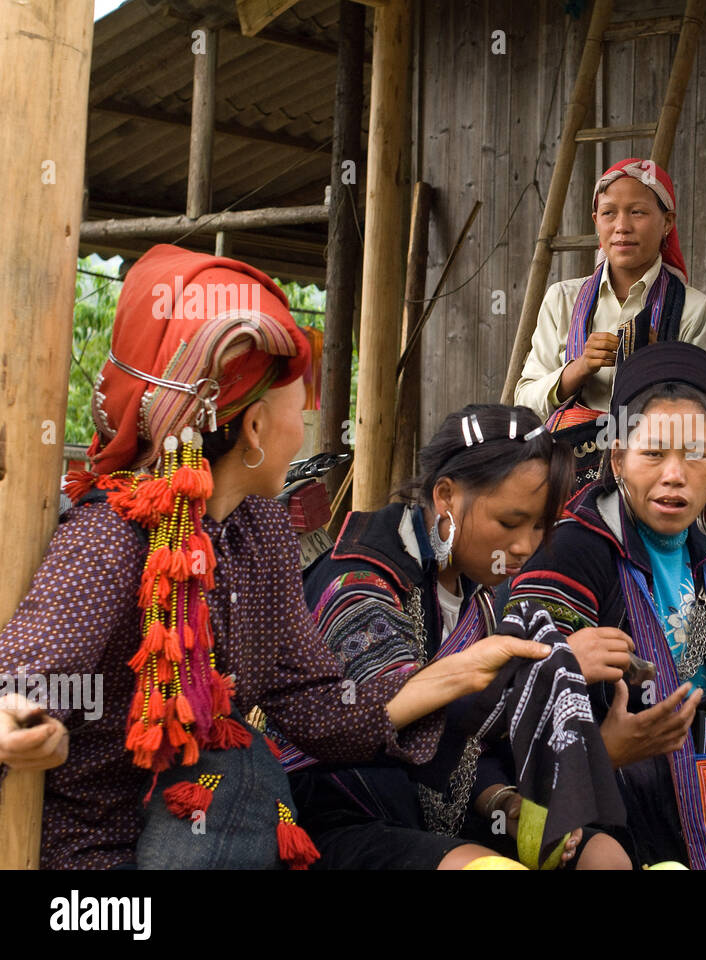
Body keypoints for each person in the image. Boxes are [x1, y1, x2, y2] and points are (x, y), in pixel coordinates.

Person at [0, 244, 548, 869]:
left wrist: (462, 670)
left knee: (243, 763)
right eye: (300, 403)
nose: (309, 420)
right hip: (99, 865)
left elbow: (316, 707)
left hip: (208, 840)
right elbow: (17, 683)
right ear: (255, 428)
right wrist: (17, 723)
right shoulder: (110, 542)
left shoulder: (258, 532)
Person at [507, 342, 706, 868]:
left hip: (689, 782)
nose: (674, 475)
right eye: (654, 453)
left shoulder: (704, 557)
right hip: (593, 797)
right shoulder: (576, 548)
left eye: (695, 454)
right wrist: (609, 742)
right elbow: (518, 684)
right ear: (617, 459)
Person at [283, 403, 630, 869]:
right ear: (445, 495)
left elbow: (467, 748)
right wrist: (552, 668)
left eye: (540, 527)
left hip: (435, 818)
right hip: (340, 820)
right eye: (510, 523)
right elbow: (394, 711)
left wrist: (506, 802)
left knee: (601, 857)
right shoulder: (359, 583)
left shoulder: (475, 594)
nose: (526, 546)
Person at [515, 158, 706, 487]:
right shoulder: (563, 299)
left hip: (653, 480)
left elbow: (704, 420)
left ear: (667, 223)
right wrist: (577, 369)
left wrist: (659, 364)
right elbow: (525, 404)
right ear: (596, 221)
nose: (622, 226)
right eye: (609, 213)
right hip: (567, 475)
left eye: (637, 212)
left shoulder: (694, 309)